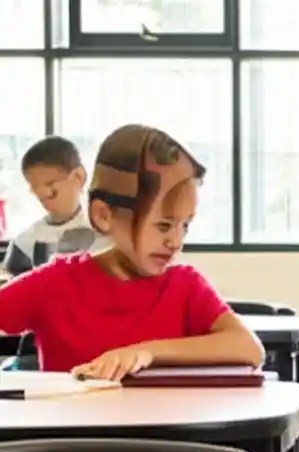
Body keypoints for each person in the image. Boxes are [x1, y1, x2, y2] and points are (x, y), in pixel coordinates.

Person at [0, 124, 263, 378]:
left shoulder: (185, 286)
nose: (175, 241)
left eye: (185, 225)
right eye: (163, 225)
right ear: (104, 215)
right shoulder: (55, 283)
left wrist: (145, 353)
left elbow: (250, 349)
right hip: (70, 411)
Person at [3, 135, 104, 277]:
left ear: (79, 177)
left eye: (52, 190)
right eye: (38, 194)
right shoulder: (25, 244)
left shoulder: (107, 233)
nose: (46, 200)